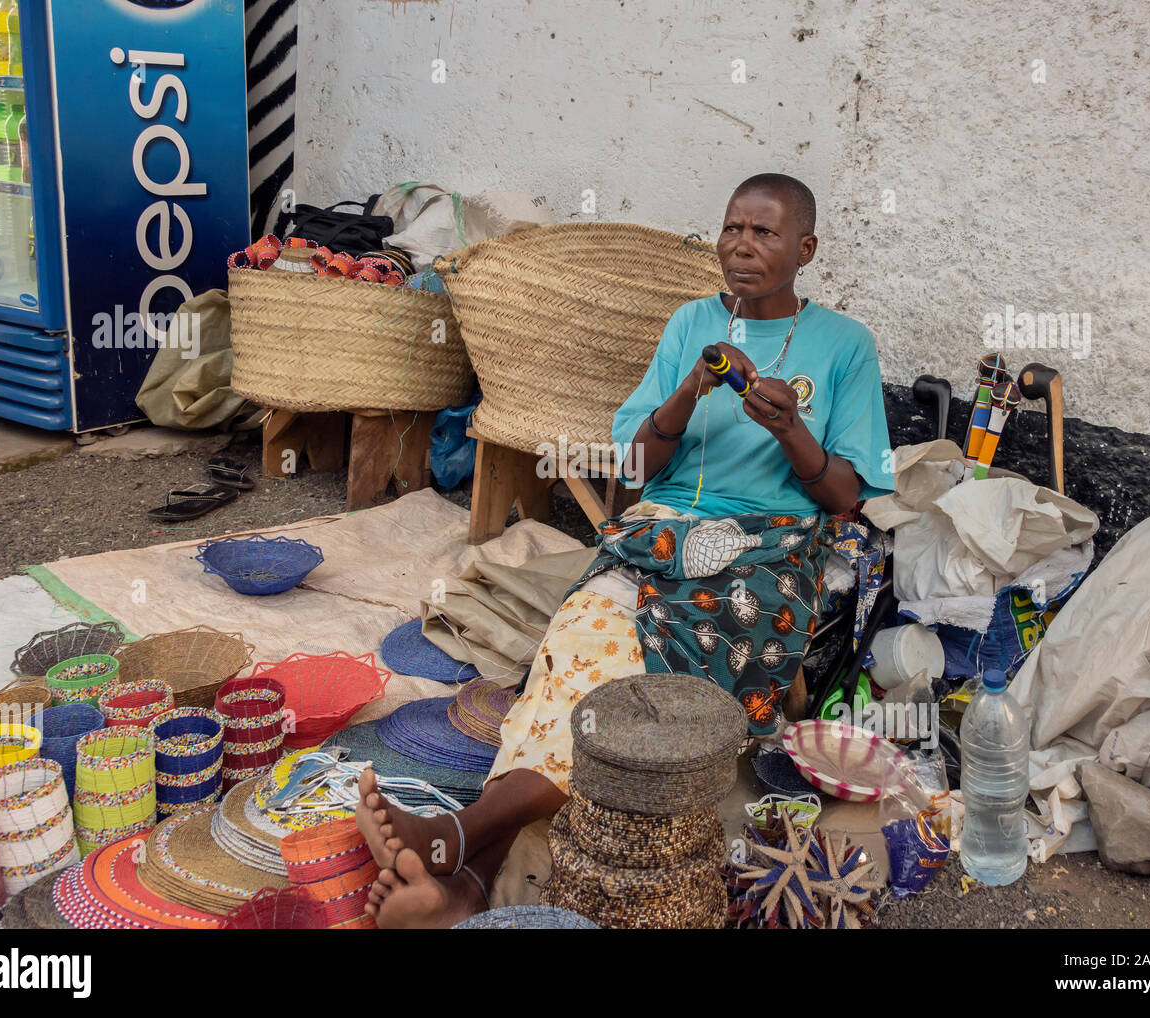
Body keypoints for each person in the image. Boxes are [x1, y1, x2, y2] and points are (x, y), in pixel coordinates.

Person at [357, 172, 895, 927]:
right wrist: (686, 395)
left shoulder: (845, 345)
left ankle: (464, 843)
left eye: (765, 232)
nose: (742, 245)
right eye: (733, 227)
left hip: (766, 555)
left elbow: (845, 495)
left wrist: (791, 431)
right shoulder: (689, 327)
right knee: (580, 643)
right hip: (657, 532)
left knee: (628, 676)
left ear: (805, 248)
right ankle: (469, 878)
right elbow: (636, 470)